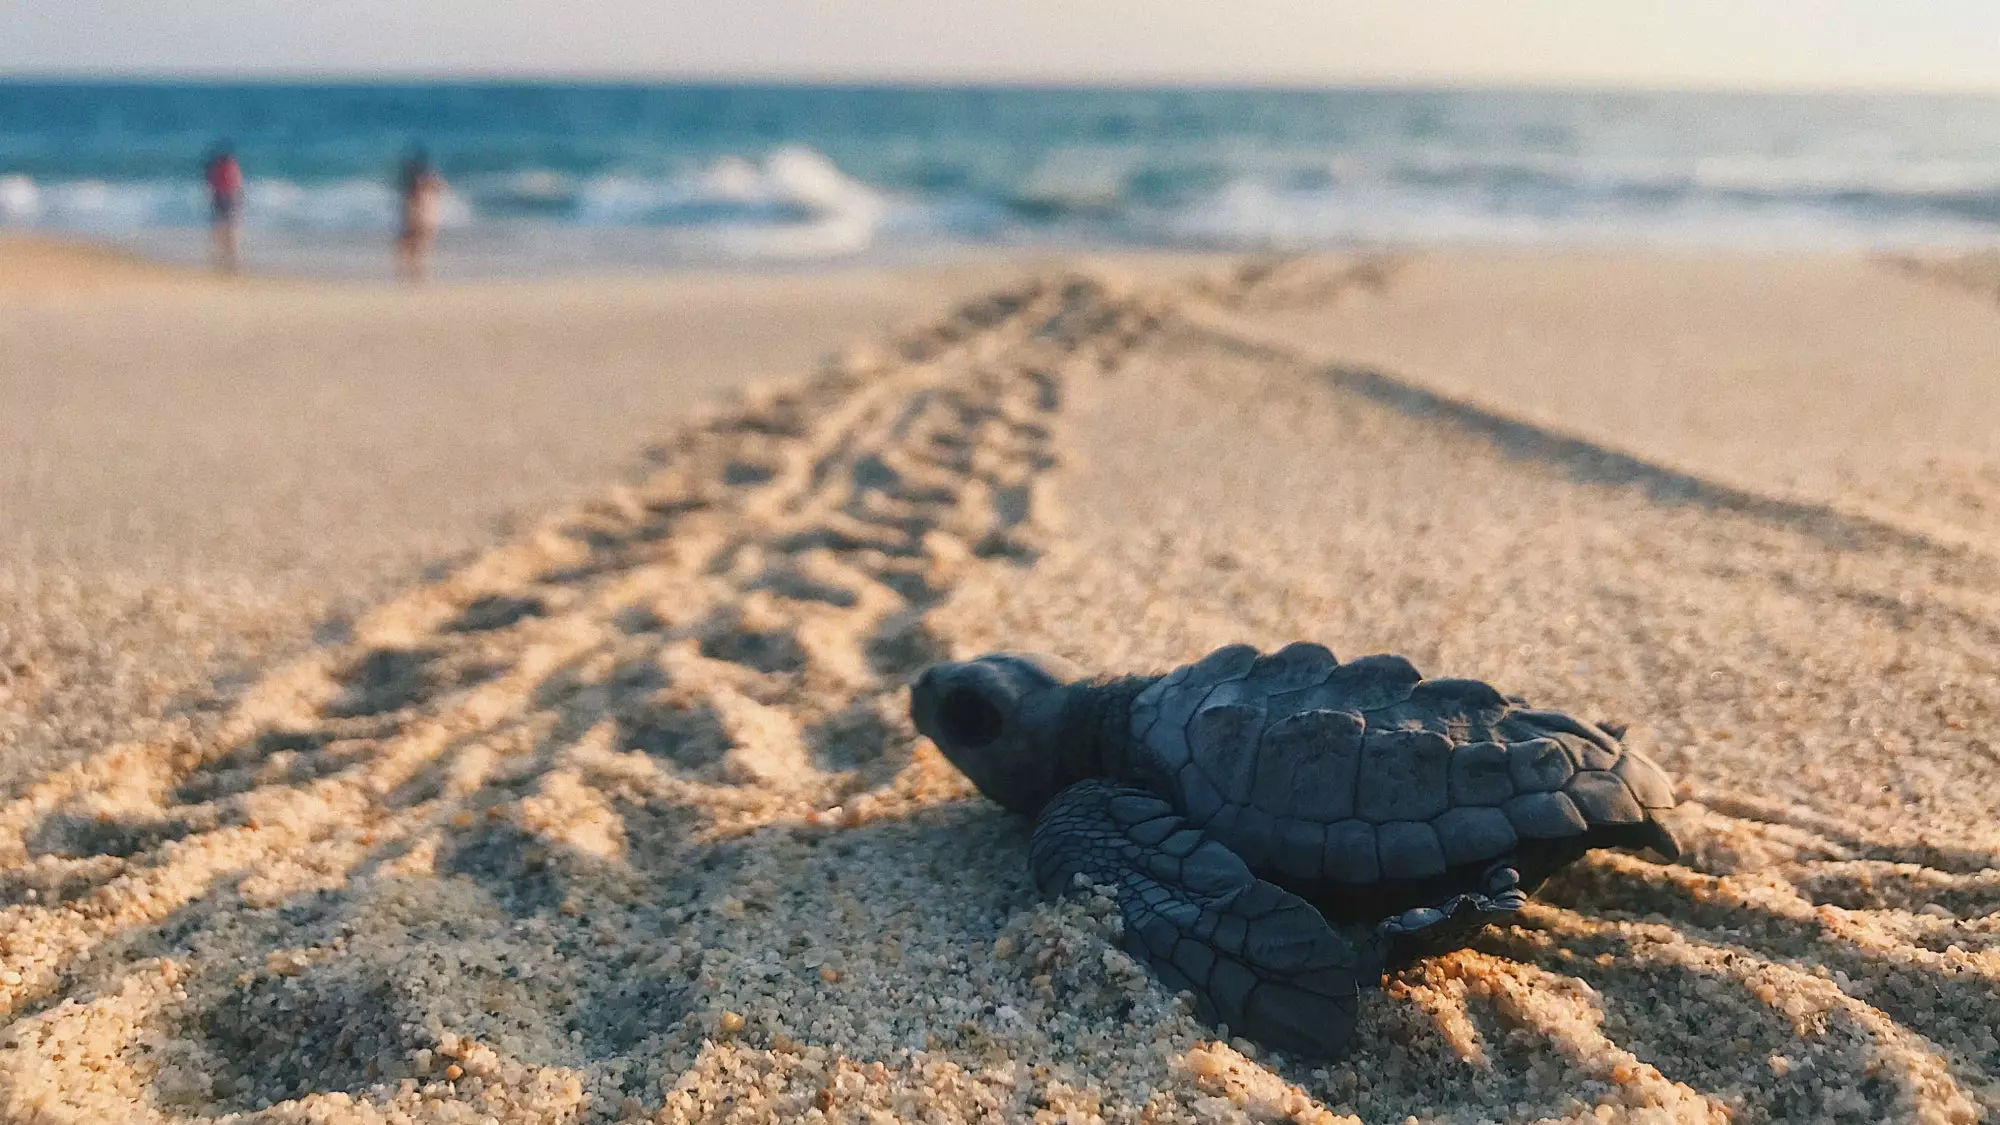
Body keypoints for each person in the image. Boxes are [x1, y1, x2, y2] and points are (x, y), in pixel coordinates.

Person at [396, 148, 446, 282]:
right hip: (423, 214)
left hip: (415, 213)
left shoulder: (413, 181)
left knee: (411, 243)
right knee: (420, 244)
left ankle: (411, 271)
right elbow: (442, 188)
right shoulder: (425, 180)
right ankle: (415, 272)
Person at [204, 145, 245, 274]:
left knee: (220, 232)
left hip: (221, 200)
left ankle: (222, 260)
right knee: (231, 232)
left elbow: (211, 187)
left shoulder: (217, 168)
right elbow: (239, 188)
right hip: (229, 200)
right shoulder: (233, 168)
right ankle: (231, 262)